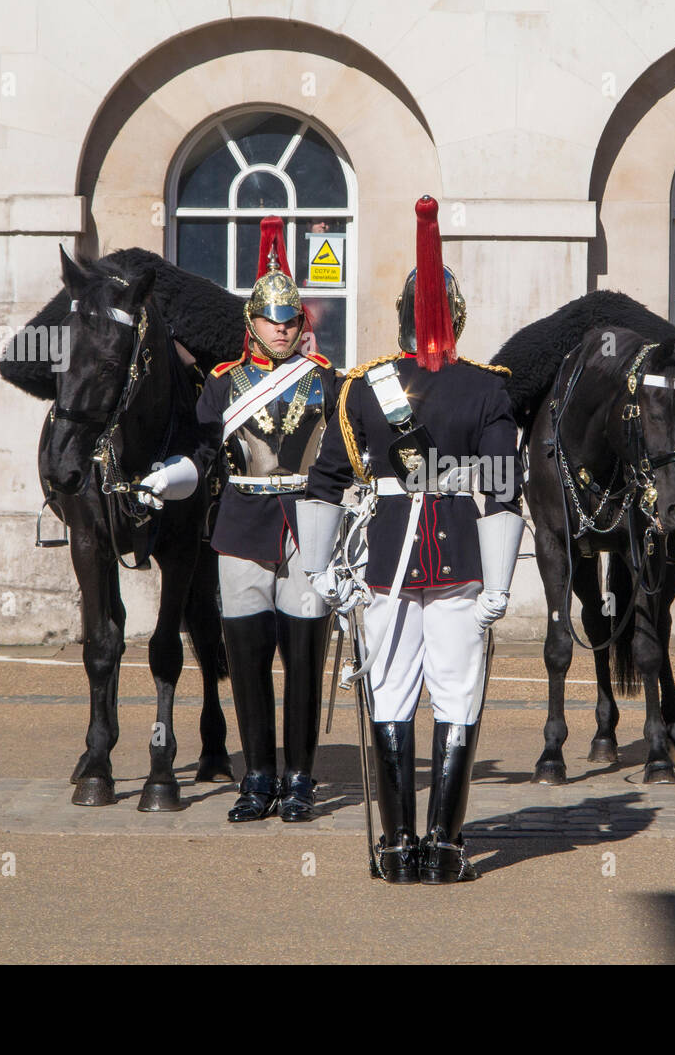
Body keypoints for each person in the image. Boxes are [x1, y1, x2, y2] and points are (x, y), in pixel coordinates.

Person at [296, 196, 524, 884]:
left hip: (384, 559)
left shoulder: (365, 387)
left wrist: (318, 570)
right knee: (457, 696)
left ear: (400, 318)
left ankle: (396, 848)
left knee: (390, 695)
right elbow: (503, 491)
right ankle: (446, 847)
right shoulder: (486, 390)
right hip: (458, 558)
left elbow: (325, 481)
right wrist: (502, 581)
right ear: (457, 317)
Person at [190, 215, 339, 822]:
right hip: (242, 527)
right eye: (270, 320)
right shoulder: (222, 385)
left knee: (303, 659)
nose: (281, 329)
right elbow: (200, 452)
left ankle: (299, 776)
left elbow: (347, 457)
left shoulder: (327, 379)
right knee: (246, 659)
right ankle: (256, 775)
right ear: (250, 323)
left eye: (289, 320)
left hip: (307, 528)